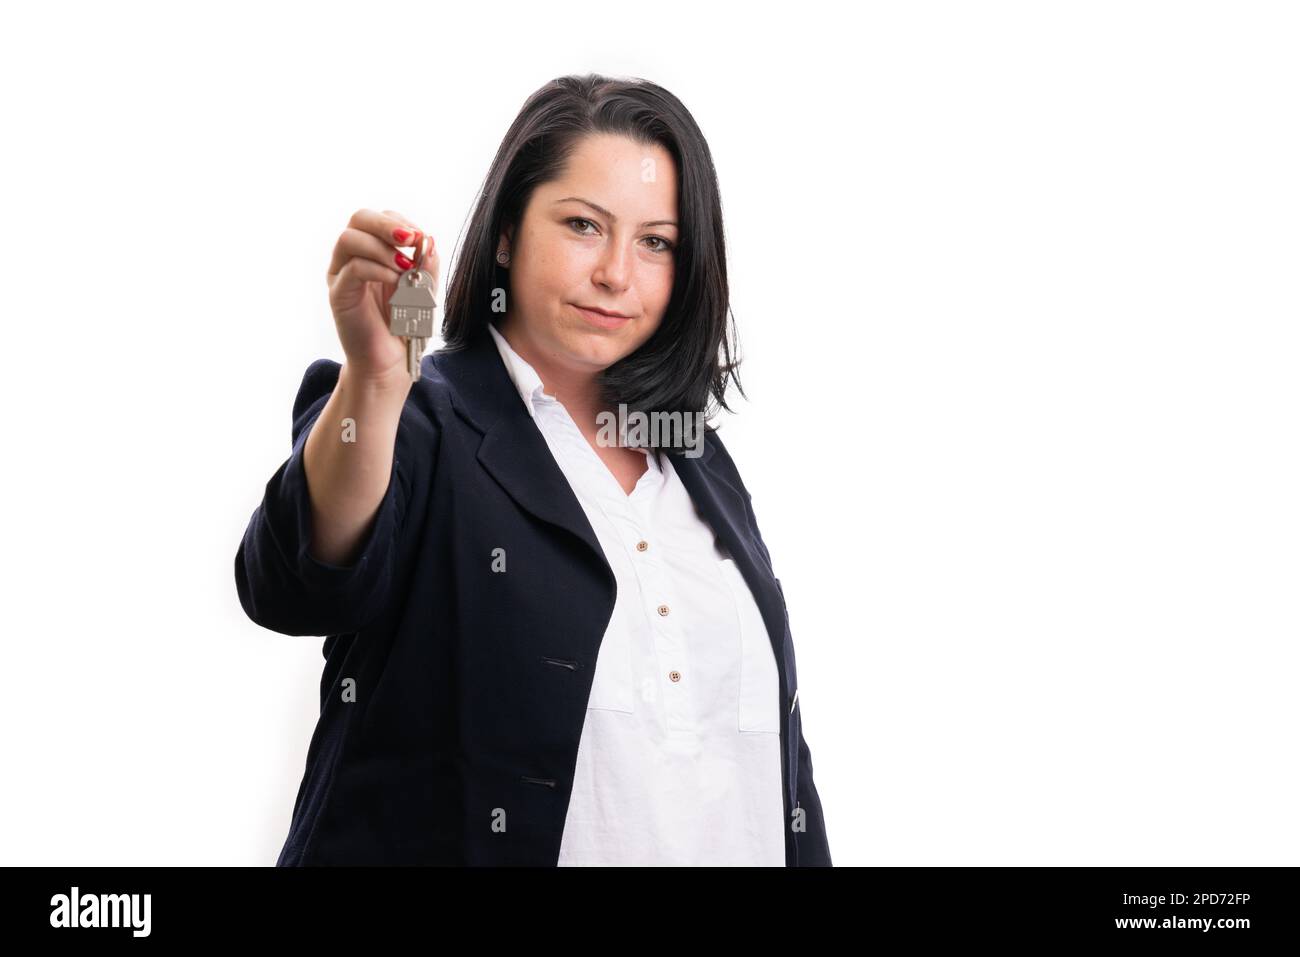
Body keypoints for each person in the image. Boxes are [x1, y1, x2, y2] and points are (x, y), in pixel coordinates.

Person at [234, 73, 831, 866]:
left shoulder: (698, 463)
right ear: (509, 231)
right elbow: (297, 580)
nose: (618, 273)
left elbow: (777, 770)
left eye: (657, 241)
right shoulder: (418, 420)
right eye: (584, 225)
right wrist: (375, 382)